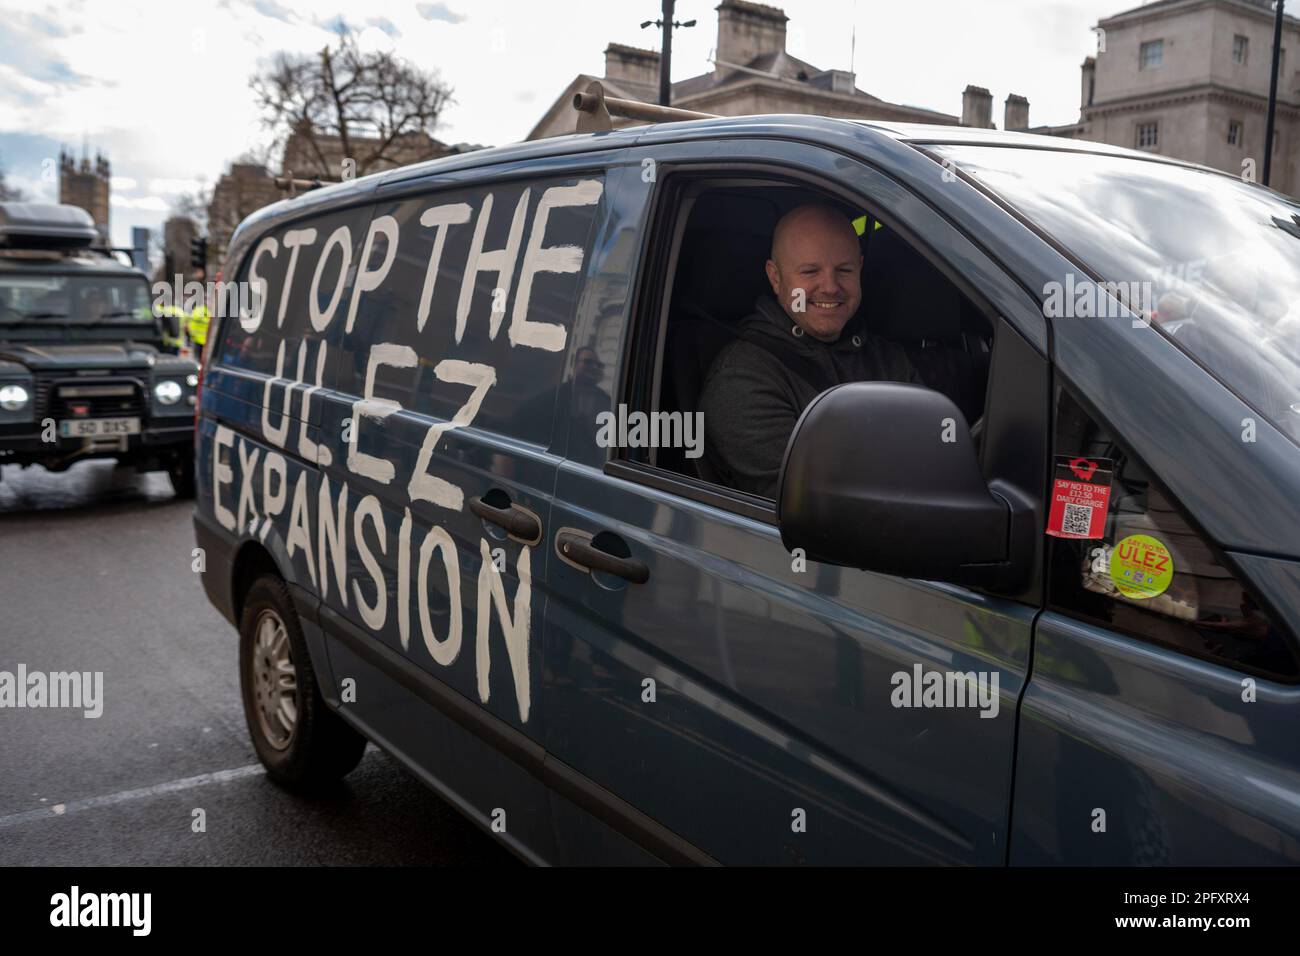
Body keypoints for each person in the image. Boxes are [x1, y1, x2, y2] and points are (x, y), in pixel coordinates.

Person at [698, 203, 921, 499]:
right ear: (775, 278)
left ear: (860, 270)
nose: (830, 287)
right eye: (810, 271)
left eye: (844, 270)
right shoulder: (741, 380)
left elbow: (931, 459)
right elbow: (820, 507)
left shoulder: (885, 357)